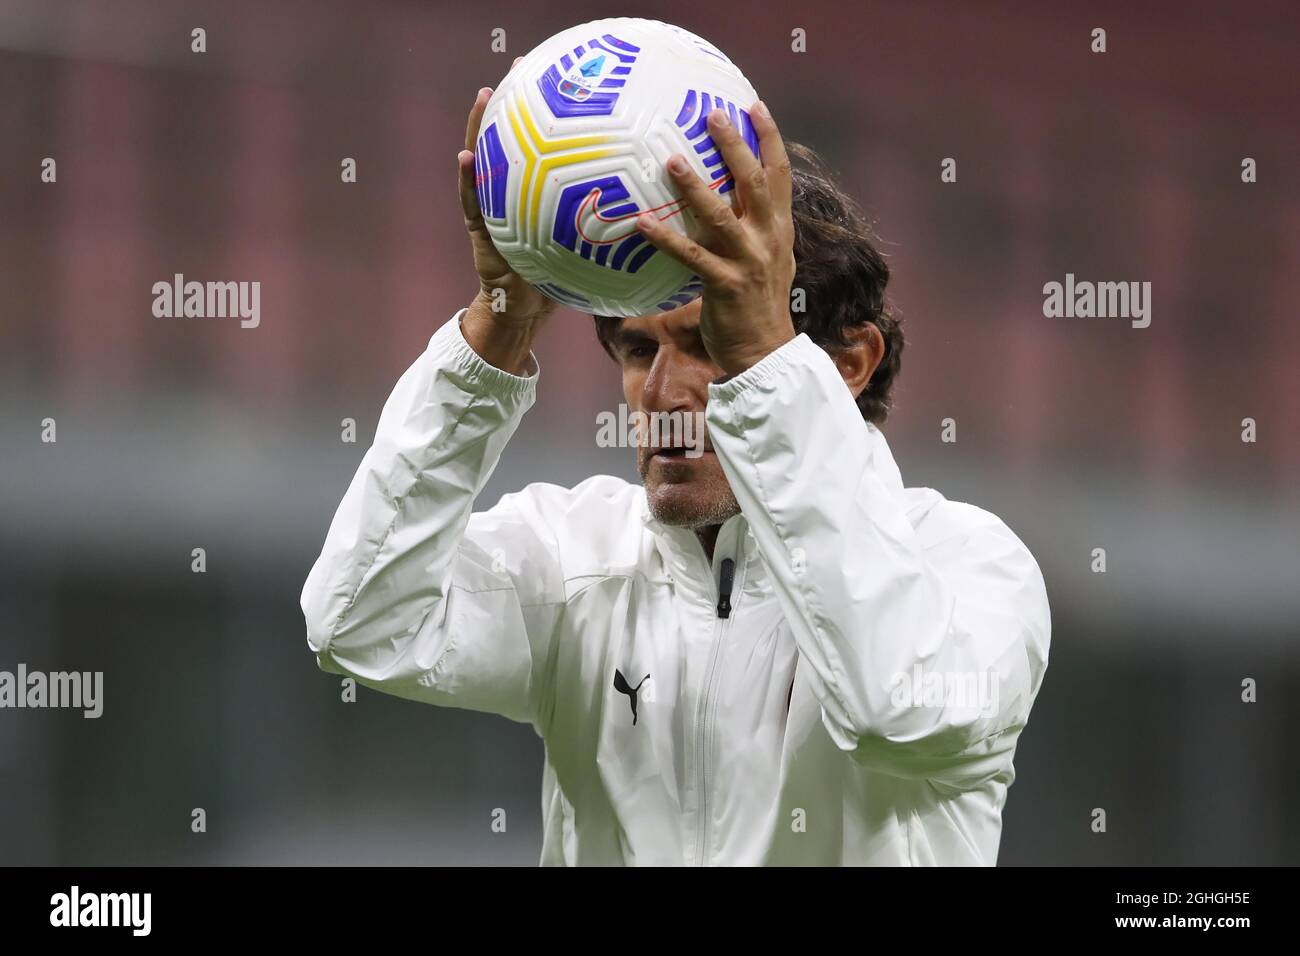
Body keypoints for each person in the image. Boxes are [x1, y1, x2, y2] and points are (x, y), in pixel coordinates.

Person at [300, 86, 1051, 866]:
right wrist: (499, 322)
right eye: (636, 349)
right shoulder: (576, 555)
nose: (660, 394)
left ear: (849, 363)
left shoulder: (971, 568)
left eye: (710, 342)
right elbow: (359, 622)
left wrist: (767, 374)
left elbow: (896, 710)